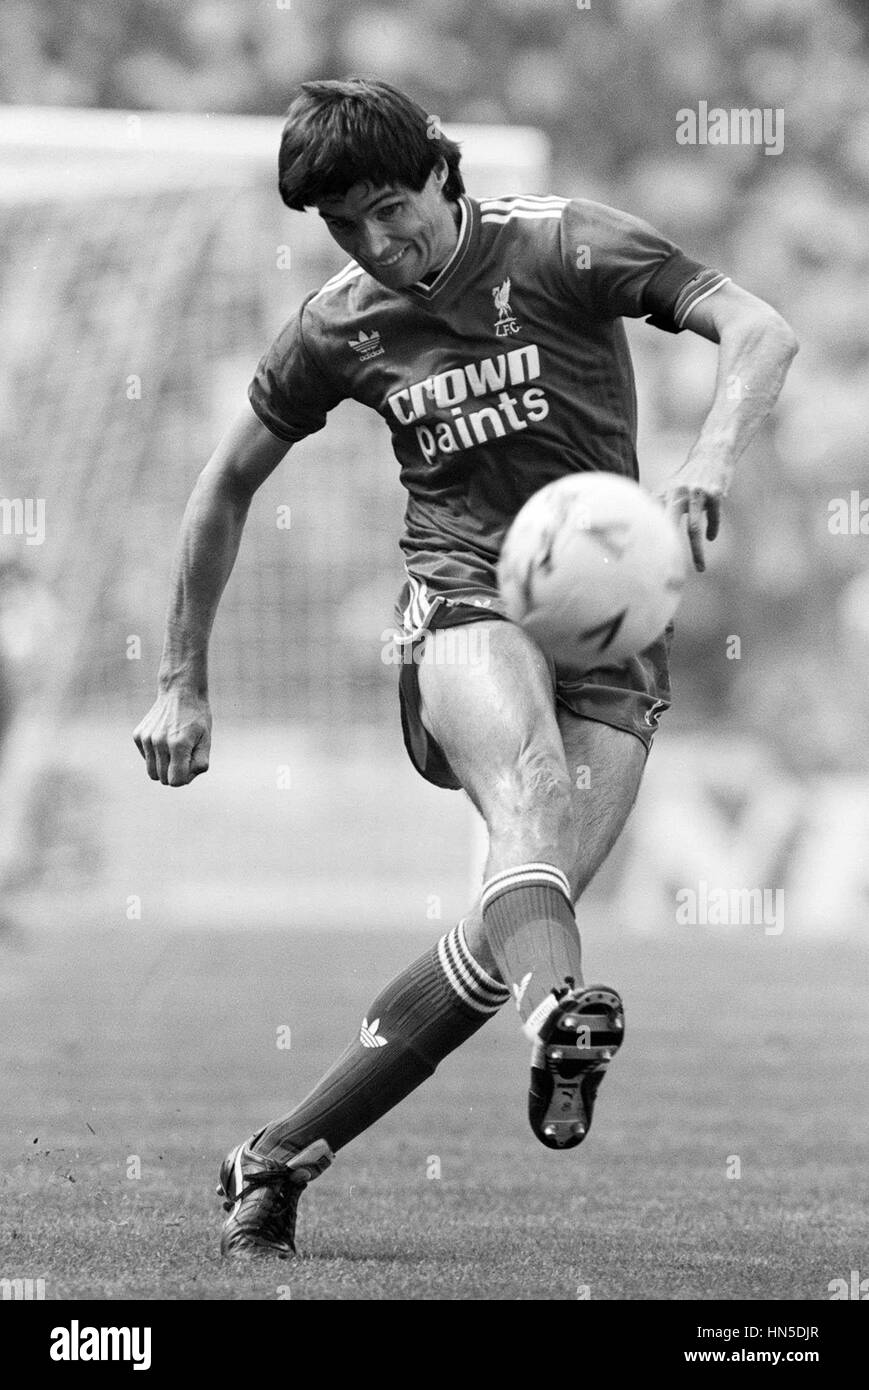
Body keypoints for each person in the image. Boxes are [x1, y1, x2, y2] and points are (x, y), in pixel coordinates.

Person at [133, 78, 798, 1259]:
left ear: (444, 171)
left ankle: (277, 1157)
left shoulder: (565, 244)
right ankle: (564, 1016)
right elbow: (223, 484)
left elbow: (758, 328)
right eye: (343, 227)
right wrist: (182, 676)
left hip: (612, 627)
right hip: (462, 598)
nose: (374, 246)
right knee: (529, 801)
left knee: (509, 925)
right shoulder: (336, 325)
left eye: (388, 209)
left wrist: (706, 461)